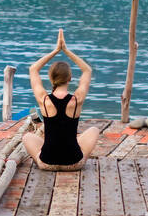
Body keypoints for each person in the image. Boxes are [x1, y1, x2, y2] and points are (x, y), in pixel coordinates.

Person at [23, 30, 100, 170]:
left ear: (51, 79)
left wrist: (55, 50)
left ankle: (43, 160)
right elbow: (87, 70)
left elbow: (33, 69)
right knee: (94, 130)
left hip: (47, 163)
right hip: (74, 163)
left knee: (28, 137)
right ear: (70, 78)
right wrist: (66, 50)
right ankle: (76, 155)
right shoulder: (77, 100)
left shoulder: (44, 100)